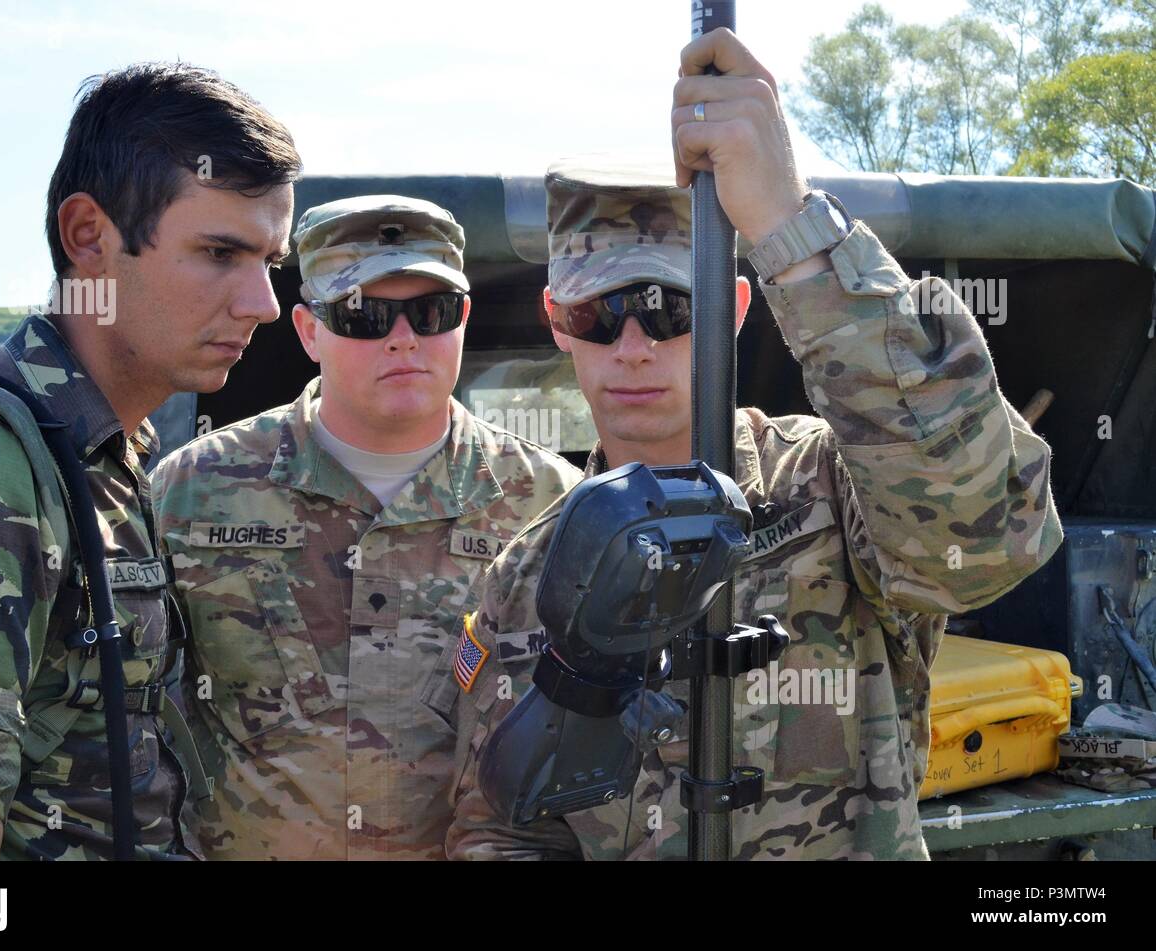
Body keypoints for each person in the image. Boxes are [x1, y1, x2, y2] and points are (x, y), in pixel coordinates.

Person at [446, 29, 1062, 860]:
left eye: (669, 311)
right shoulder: (527, 571)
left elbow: (983, 539)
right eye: (599, 315)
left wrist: (786, 221)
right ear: (558, 321)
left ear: (734, 308)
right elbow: (502, 823)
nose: (634, 347)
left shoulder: (827, 488)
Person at [0, 63, 301, 859]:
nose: (262, 303)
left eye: (269, 261)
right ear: (89, 237)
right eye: (220, 253)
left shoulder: (108, 455)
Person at [152, 195, 582, 860]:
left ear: (462, 317)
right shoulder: (193, 491)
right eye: (363, 314)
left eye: (431, 312)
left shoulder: (551, 503)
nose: (402, 336)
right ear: (307, 329)